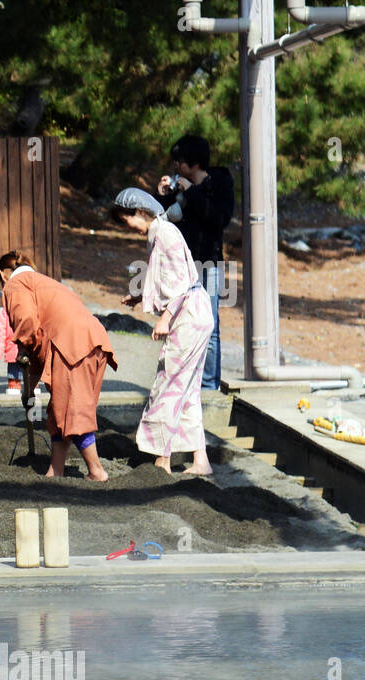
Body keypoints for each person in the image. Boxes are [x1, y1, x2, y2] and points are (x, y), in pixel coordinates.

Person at [112, 188, 214, 476]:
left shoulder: (165, 234)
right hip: (195, 311)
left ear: (141, 212)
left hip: (187, 315)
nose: (127, 225)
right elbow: (166, 277)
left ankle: (162, 460)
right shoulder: (159, 233)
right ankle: (200, 460)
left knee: (168, 384)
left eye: (127, 218)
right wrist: (141, 297)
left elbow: (180, 284)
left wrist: (165, 318)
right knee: (188, 388)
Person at [0, 250, 117, 481]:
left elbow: (27, 322)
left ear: (3, 274)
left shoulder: (15, 285)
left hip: (70, 345)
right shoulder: (45, 282)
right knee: (60, 409)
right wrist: (29, 390)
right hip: (93, 341)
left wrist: (22, 345)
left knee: (73, 410)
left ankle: (96, 471)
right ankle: (56, 470)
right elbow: (35, 350)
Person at [154, 134, 234, 391]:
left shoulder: (219, 182)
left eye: (180, 161)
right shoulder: (182, 186)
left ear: (194, 162)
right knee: (181, 324)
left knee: (209, 326)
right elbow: (168, 219)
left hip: (208, 263)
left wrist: (193, 192)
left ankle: (209, 385)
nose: (176, 166)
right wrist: (165, 194)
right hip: (183, 266)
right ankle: (184, 383)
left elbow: (219, 217)